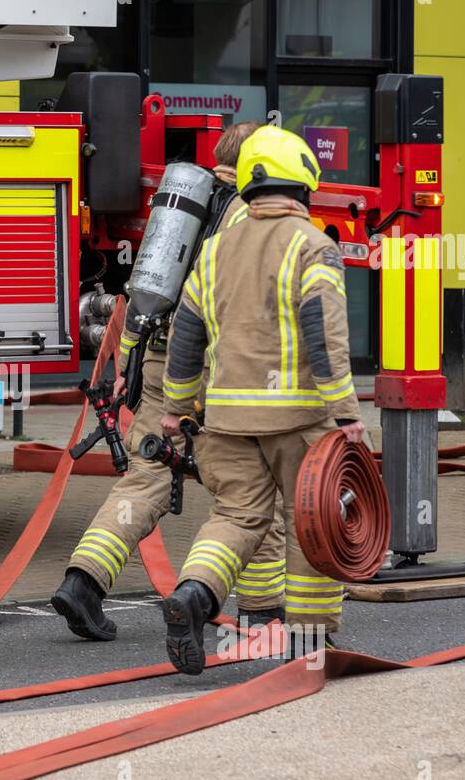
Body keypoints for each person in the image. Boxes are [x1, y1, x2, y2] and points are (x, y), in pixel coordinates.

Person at [50, 121, 288, 641]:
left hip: (157, 357)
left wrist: (129, 378)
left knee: (146, 476)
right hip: (210, 369)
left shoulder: (184, 205)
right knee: (252, 491)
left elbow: (141, 300)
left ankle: (83, 583)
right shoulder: (252, 216)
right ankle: (263, 613)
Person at [159, 124, 366, 674]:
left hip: (224, 419)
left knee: (237, 517)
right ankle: (306, 647)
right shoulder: (313, 244)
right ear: (303, 182)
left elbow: (186, 336)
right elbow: (324, 336)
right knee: (313, 521)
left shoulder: (215, 248)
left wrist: (177, 409)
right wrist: (346, 413)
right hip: (298, 417)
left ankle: (194, 595)